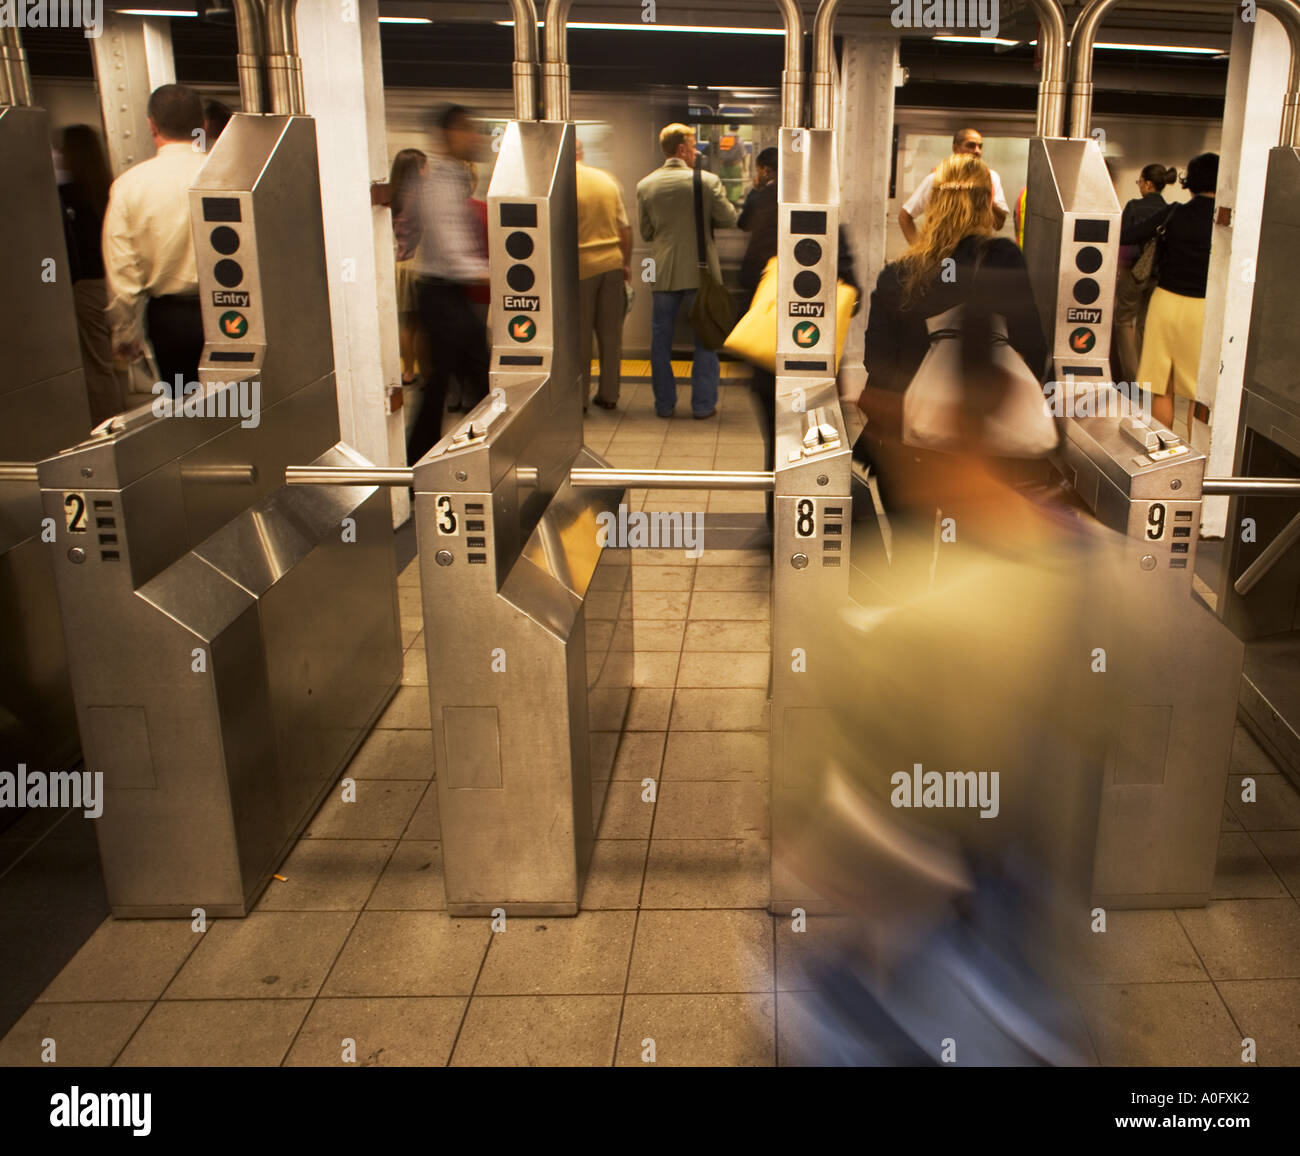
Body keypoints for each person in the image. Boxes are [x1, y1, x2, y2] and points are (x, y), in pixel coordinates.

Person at [857, 153, 1047, 556]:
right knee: (970, 557)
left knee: (910, 555)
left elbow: (876, 362)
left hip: (904, 446)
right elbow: (1031, 346)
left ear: (933, 202)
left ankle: (912, 618)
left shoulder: (899, 272)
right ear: (985, 202)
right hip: (977, 446)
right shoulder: (1002, 260)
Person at [738, 146, 861, 526]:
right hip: (815, 362)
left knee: (777, 444)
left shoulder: (766, 216)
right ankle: (807, 523)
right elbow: (852, 292)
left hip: (767, 358)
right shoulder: (828, 225)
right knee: (813, 445)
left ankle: (777, 524)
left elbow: (746, 280)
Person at [102, 83, 208, 397]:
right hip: (237, 310)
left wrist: (125, 333)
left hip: (170, 321)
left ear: (151, 125)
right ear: (202, 125)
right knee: (246, 409)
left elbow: (123, 271)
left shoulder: (129, 186)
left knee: (189, 414)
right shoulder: (228, 174)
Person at [400, 105, 491, 464]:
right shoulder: (439, 184)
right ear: (447, 135)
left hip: (447, 295)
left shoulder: (450, 180)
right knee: (477, 381)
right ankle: (474, 459)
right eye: (466, 129)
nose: (475, 137)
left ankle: (420, 462)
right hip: (442, 295)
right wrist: (493, 275)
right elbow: (452, 252)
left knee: (441, 386)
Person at [636, 122, 738, 419]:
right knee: (705, 339)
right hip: (700, 273)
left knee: (659, 342)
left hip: (660, 272)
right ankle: (703, 405)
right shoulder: (706, 182)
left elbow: (646, 232)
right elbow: (729, 218)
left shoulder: (645, 185)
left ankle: (664, 405)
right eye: (693, 146)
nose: (695, 152)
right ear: (681, 149)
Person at [1127, 153, 1217, 435]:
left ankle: (1163, 453)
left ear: (1189, 182)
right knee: (1197, 394)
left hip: (1165, 303)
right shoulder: (1224, 222)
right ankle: (1194, 456)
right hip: (1202, 311)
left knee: (1162, 387)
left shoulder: (1174, 212)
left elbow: (1128, 234)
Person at [58, 124, 127, 424]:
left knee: (97, 366)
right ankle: (127, 419)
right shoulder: (110, 189)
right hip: (116, 283)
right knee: (119, 362)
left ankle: (108, 428)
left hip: (85, 286)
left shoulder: (65, 196)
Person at [575, 140, 632, 412]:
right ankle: (609, 396)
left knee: (581, 336)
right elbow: (625, 229)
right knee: (611, 336)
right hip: (612, 264)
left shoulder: (563, 183)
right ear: (581, 152)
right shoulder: (606, 180)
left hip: (580, 268)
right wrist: (626, 264)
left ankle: (580, 400)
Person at [1114, 163, 1178, 386]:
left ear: (1148, 184)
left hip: (1134, 272)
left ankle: (1131, 377)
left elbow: (1121, 238)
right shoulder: (1170, 211)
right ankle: (1145, 376)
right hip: (1157, 275)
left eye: (1139, 181)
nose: (1139, 185)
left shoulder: (1134, 206)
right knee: (1144, 324)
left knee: (1123, 321)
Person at [898, 129, 1009, 244]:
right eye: (971, 146)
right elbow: (904, 217)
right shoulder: (937, 178)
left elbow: (999, 224)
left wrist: (983, 193)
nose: (977, 151)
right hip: (942, 251)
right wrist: (918, 251)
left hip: (977, 253)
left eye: (980, 147)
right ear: (956, 149)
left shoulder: (991, 178)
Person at [389, 147, 427, 387]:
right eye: (424, 166)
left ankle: (408, 372)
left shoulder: (394, 196)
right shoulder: (418, 198)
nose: (427, 170)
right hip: (417, 265)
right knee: (422, 326)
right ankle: (425, 372)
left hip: (400, 264)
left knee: (407, 326)